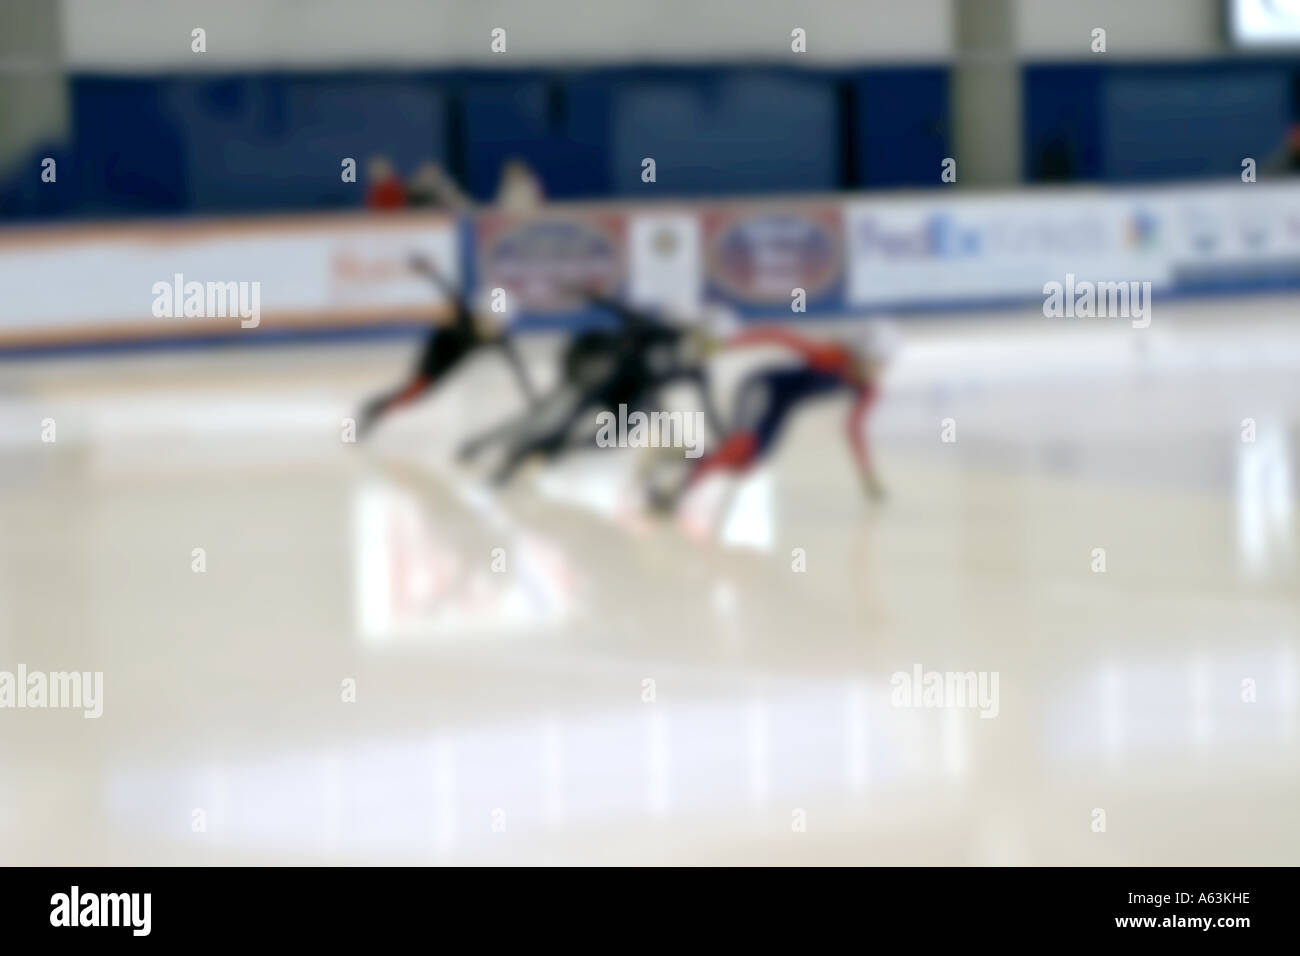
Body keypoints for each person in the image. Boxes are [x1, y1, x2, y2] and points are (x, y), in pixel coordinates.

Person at [458, 286, 727, 486]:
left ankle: (550, 451)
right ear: (694, 331)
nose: (703, 352)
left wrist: (724, 438)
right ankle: (502, 461)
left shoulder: (695, 370)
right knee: (555, 420)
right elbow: (621, 310)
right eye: (704, 342)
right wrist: (586, 292)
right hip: (600, 379)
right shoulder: (659, 332)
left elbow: (700, 406)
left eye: (711, 349)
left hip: (628, 397)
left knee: (606, 438)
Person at [654, 321, 897, 512]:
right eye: (876, 362)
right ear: (859, 354)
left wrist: (867, 475)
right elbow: (780, 337)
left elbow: (854, 430)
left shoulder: (867, 389)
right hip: (762, 386)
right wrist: (727, 344)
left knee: (746, 464)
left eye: (884, 364)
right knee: (740, 446)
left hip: (782, 404)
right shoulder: (833, 356)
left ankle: (685, 454)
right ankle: (677, 491)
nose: (879, 371)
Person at [356, 255, 535, 439]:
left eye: (495, 326)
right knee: (414, 390)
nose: (489, 329)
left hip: (451, 361)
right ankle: (373, 411)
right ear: (479, 312)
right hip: (438, 350)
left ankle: (375, 407)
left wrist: (531, 397)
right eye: (486, 321)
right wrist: (427, 269)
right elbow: (448, 289)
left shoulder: (496, 336)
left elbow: (516, 364)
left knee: (415, 394)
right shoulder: (466, 317)